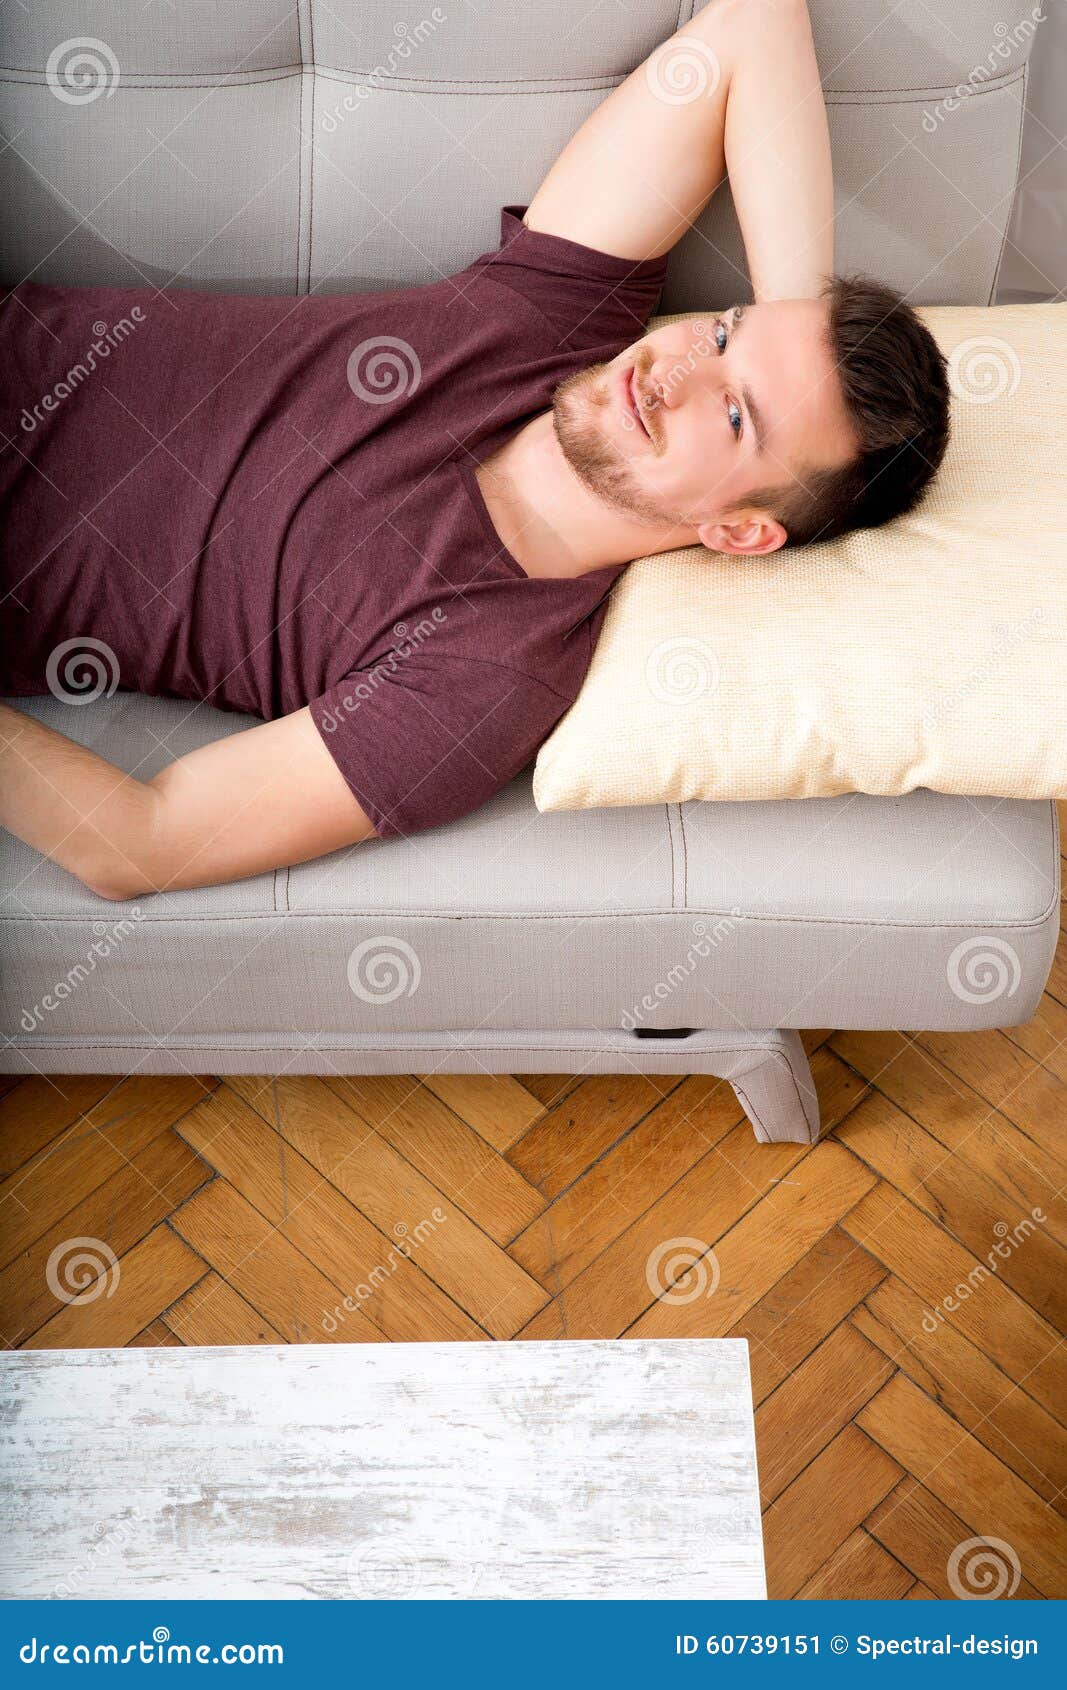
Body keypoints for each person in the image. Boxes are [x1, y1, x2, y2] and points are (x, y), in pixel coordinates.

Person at [0, 0, 950, 900]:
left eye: (737, 415)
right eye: (723, 329)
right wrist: (794, 316)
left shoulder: (482, 672)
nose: (673, 368)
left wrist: (772, 340)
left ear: (741, 532)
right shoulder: (556, 319)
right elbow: (752, 26)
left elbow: (141, 841)